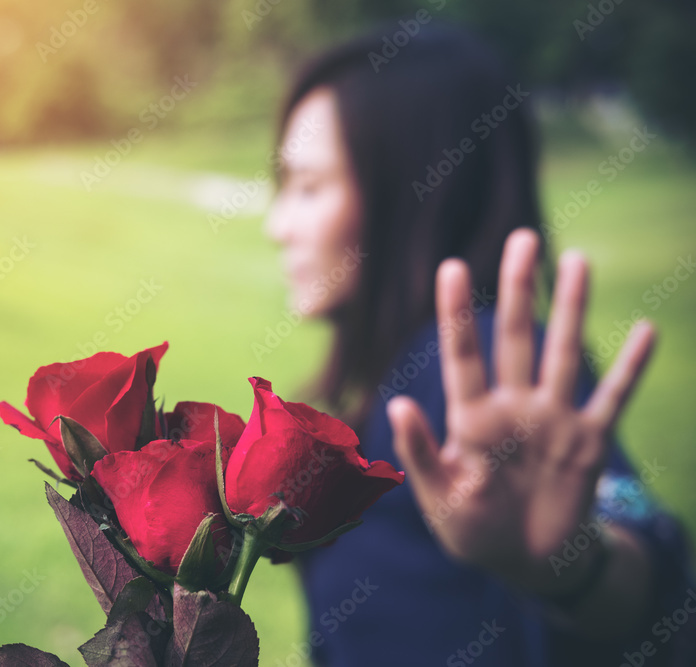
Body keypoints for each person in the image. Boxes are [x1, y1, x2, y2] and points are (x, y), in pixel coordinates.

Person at [264, 25, 695, 666]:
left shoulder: (481, 362)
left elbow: (632, 544)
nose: (278, 226)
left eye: (309, 186)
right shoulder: (402, 368)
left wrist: (575, 569)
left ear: (414, 190)